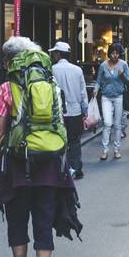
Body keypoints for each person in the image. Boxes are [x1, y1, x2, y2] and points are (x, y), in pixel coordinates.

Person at [0, 37, 80, 257]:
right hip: (49, 163)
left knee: (16, 218)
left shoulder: (6, 88)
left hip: (18, 165)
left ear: (8, 61)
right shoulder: (50, 84)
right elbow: (59, 121)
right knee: (43, 218)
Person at [49, 40, 88, 180]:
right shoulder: (78, 70)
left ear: (58, 54)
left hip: (58, 112)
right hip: (75, 111)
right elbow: (83, 93)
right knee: (74, 141)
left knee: (58, 141)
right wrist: (85, 110)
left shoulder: (52, 70)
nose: (53, 56)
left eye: (54, 53)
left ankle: (60, 170)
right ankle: (76, 169)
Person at [96, 42, 129, 160]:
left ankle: (116, 150)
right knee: (107, 123)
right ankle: (105, 150)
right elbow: (99, 81)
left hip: (118, 96)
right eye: (112, 53)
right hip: (106, 96)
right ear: (109, 53)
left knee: (117, 124)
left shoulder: (123, 64)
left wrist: (122, 76)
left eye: (117, 53)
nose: (115, 56)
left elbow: (128, 81)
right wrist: (95, 90)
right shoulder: (103, 65)